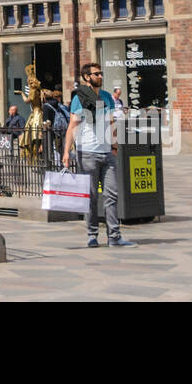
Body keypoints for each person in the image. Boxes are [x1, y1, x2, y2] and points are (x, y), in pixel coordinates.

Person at [62, 62, 136, 248]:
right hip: (87, 152)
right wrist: (66, 151)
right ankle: (92, 234)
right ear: (87, 77)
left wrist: (115, 145)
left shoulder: (107, 97)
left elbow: (111, 122)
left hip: (107, 153)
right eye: (97, 74)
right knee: (91, 197)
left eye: (101, 73)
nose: (101, 76)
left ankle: (114, 236)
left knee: (112, 195)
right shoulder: (80, 98)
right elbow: (73, 126)